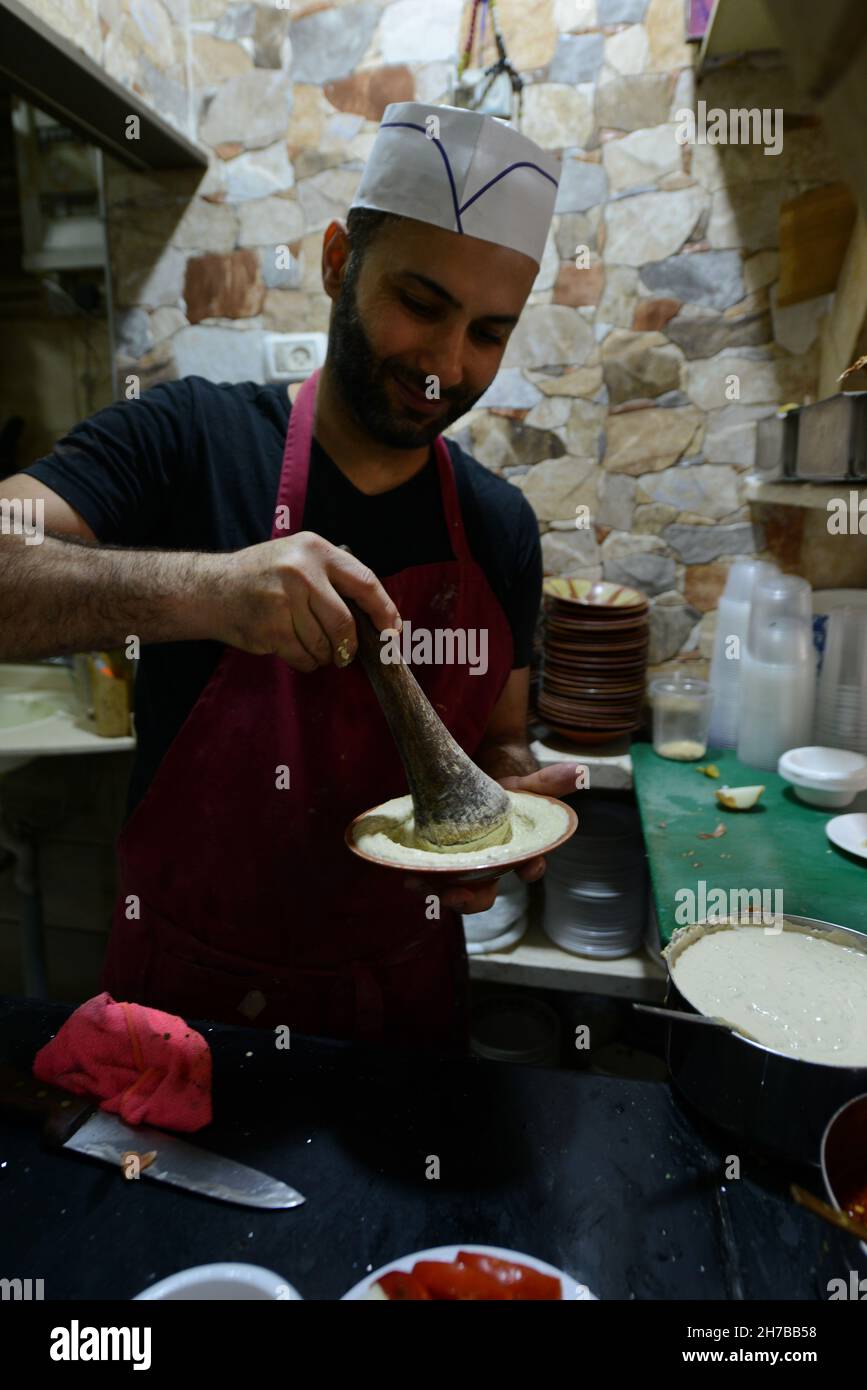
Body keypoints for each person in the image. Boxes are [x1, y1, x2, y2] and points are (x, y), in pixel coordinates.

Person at [0, 102, 577, 1051]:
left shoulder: (499, 528)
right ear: (338, 262)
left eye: (487, 333)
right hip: (185, 1011)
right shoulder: (186, 440)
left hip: (403, 1014)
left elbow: (503, 741)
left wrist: (510, 805)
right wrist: (209, 593)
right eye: (422, 306)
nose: (444, 365)